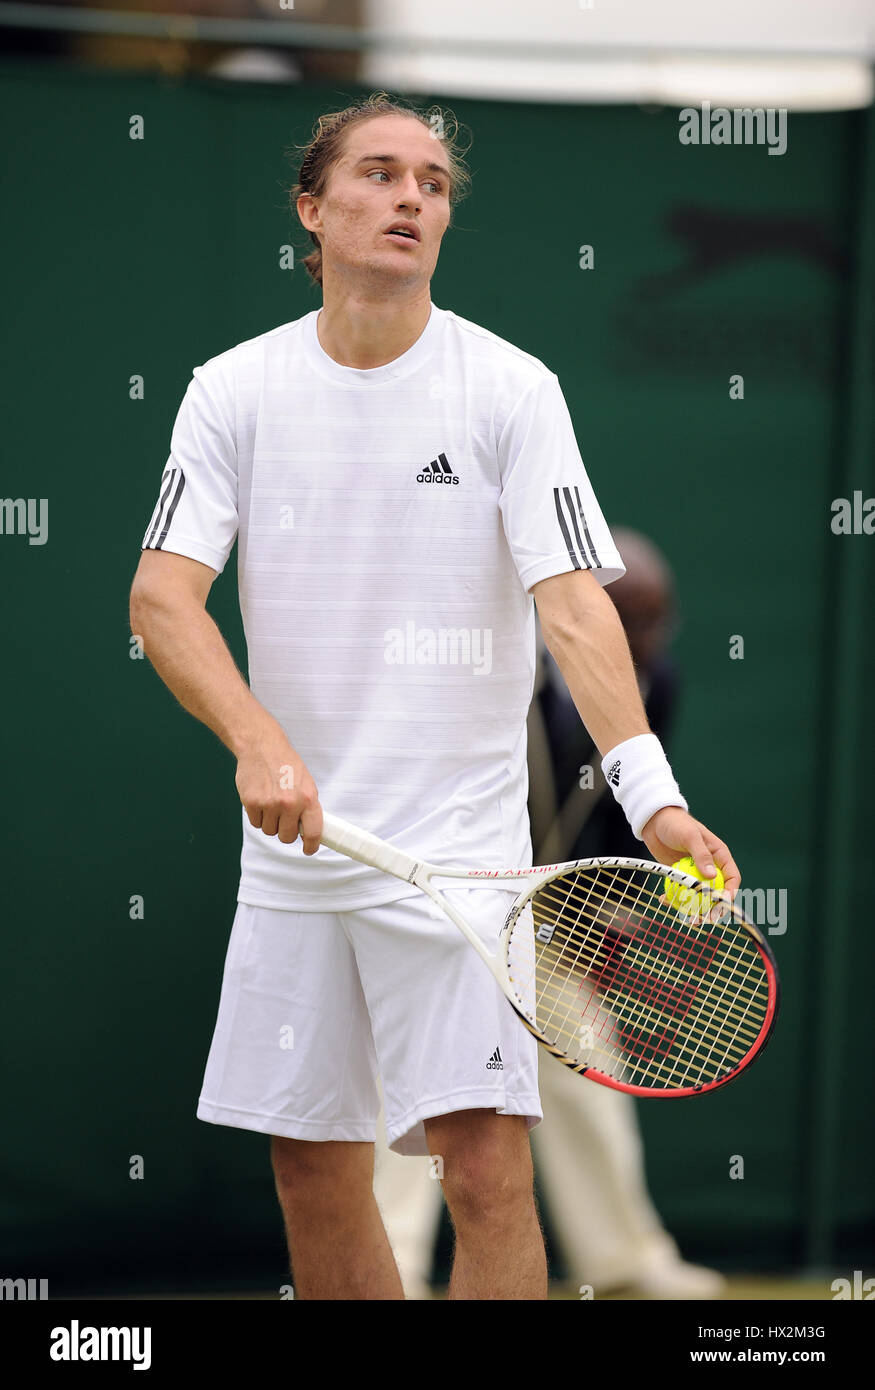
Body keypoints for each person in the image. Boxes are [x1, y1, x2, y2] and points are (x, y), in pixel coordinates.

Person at [128, 93, 740, 1301]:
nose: (411, 196)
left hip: (462, 860)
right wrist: (257, 740)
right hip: (300, 857)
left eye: (433, 182)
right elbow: (161, 598)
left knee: (483, 1171)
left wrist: (652, 796)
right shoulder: (231, 390)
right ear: (314, 208)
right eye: (379, 173)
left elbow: (575, 609)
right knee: (311, 1166)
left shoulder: (512, 391)